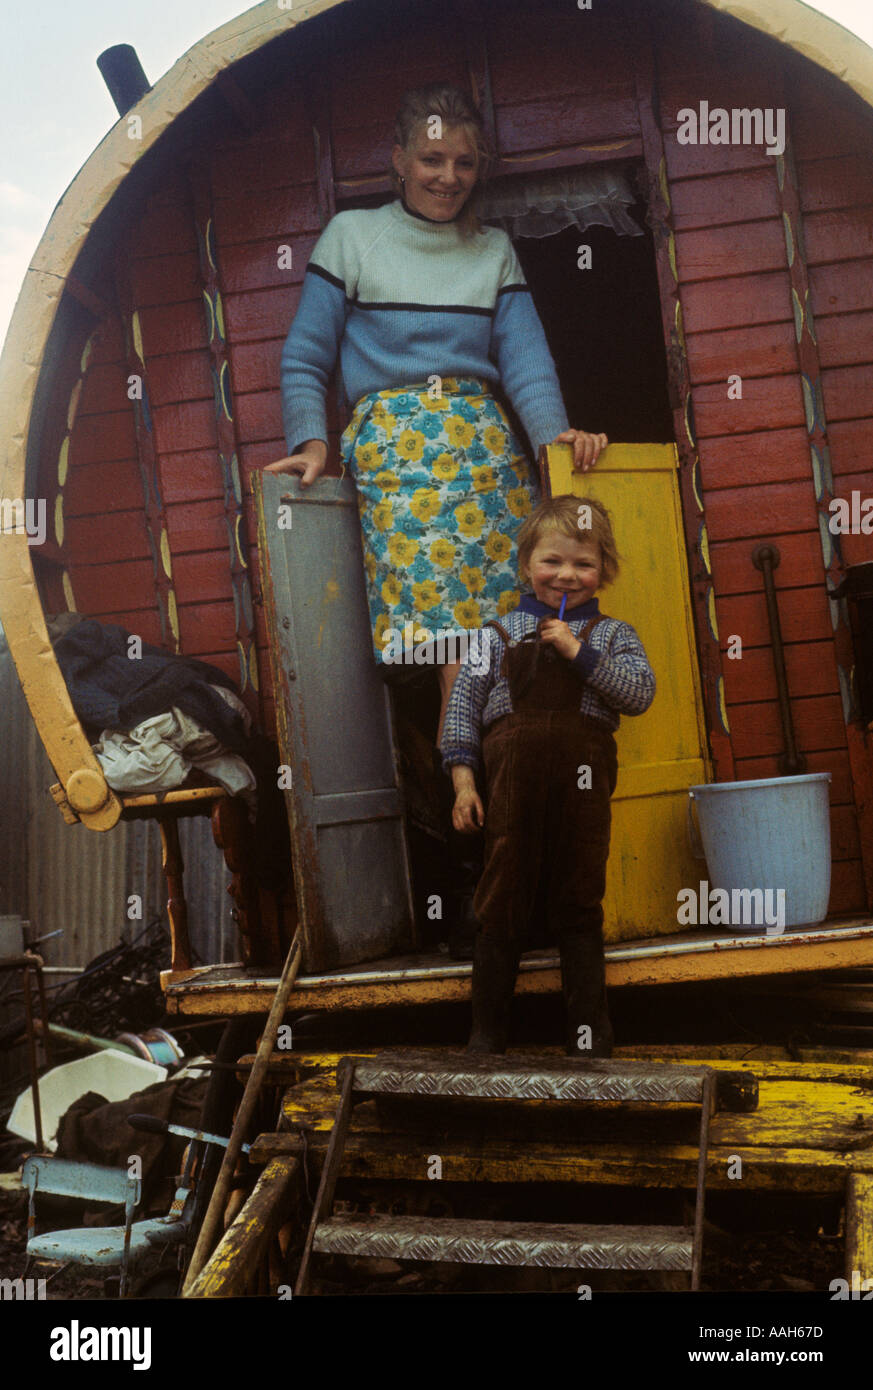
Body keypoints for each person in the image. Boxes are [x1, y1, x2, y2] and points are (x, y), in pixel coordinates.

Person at [267, 81, 608, 746]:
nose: (447, 178)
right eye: (431, 160)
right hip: (397, 452)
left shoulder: (492, 250)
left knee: (502, 622)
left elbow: (526, 364)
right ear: (398, 159)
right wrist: (312, 443)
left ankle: (500, 777)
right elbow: (304, 357)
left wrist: (554, 444)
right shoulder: (352, 236)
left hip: (484, 448)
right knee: (443, 631)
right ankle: (460, 788)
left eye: (463, 163)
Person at [440, 494, 655, 1055]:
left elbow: (639, 695)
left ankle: (590, 1036)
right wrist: (464, 784)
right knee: (502, 893)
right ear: (526, 567)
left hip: (582, 787)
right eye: (552, 562)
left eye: (584, 564)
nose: (567, 575)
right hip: (511, 785)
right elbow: (461, 711)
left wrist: (578, 651)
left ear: (604, 570)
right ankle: (486, 1035)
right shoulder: (496, 636)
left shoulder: (612, 636)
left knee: (579, 895)